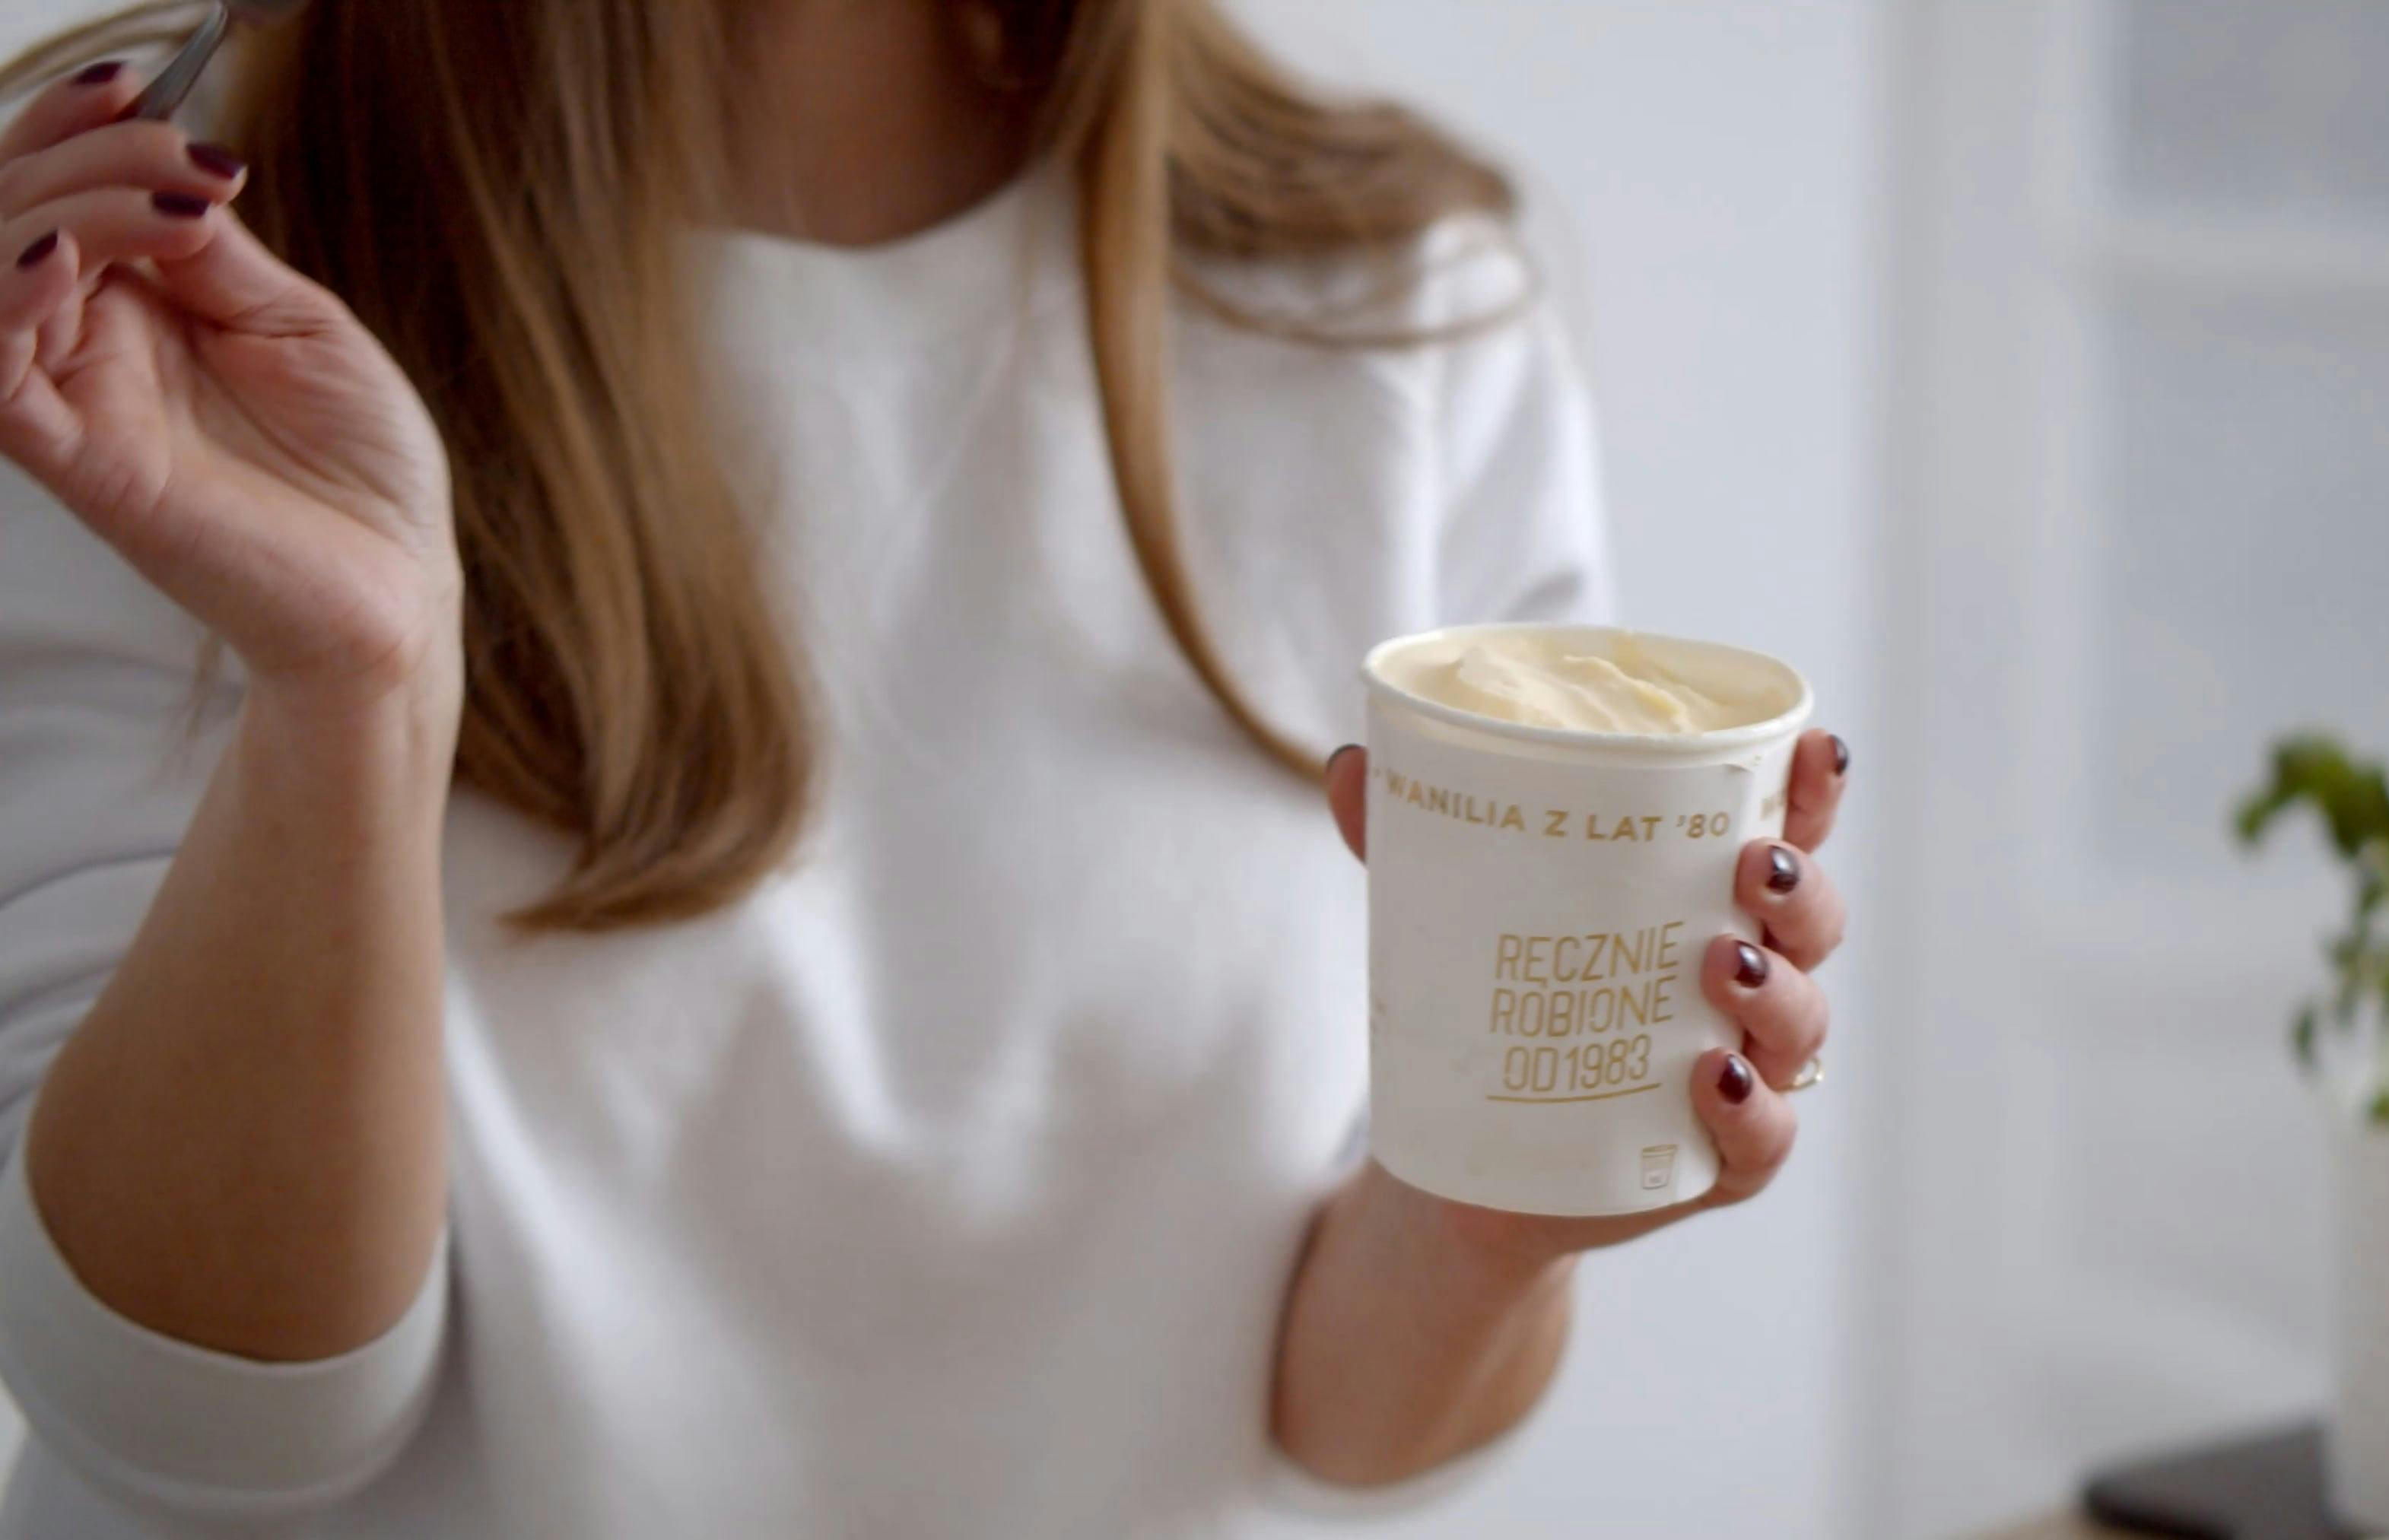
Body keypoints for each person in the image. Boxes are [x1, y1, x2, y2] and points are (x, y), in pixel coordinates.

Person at [0, 2, 1853, 1534]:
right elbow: (203, 1432)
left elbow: (1333, 1432)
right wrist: (355, 690)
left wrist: (1487, 1217)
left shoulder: (1391, 298)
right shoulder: (165, 272)